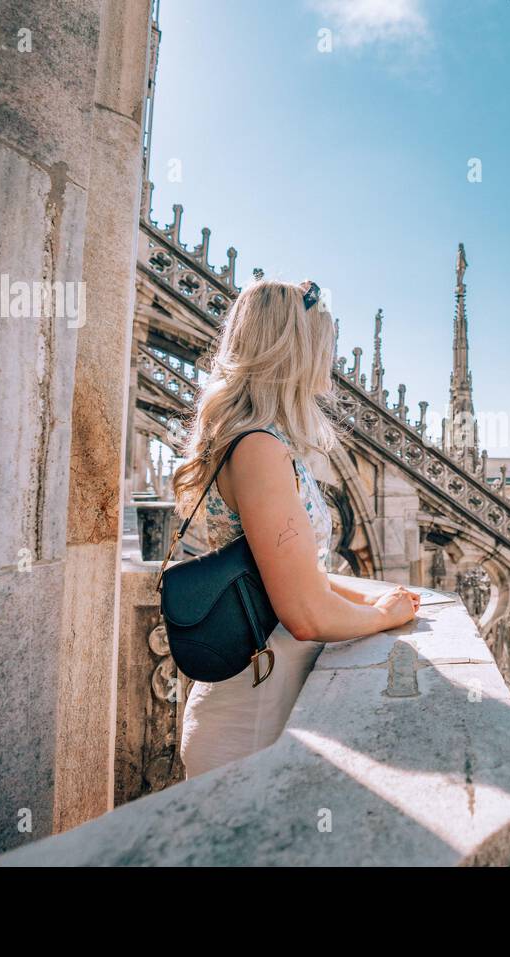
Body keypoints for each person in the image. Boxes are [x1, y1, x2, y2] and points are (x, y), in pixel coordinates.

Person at [172, 279, 418, 776]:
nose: (329, 356)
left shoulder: (254, 441)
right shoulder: (259, 449)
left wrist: (371, 597)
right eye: (323, 341)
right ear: (295, 350)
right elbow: (304, 613)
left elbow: (294, 574)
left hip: (265, 700)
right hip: (255, 718)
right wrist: (385, 618)